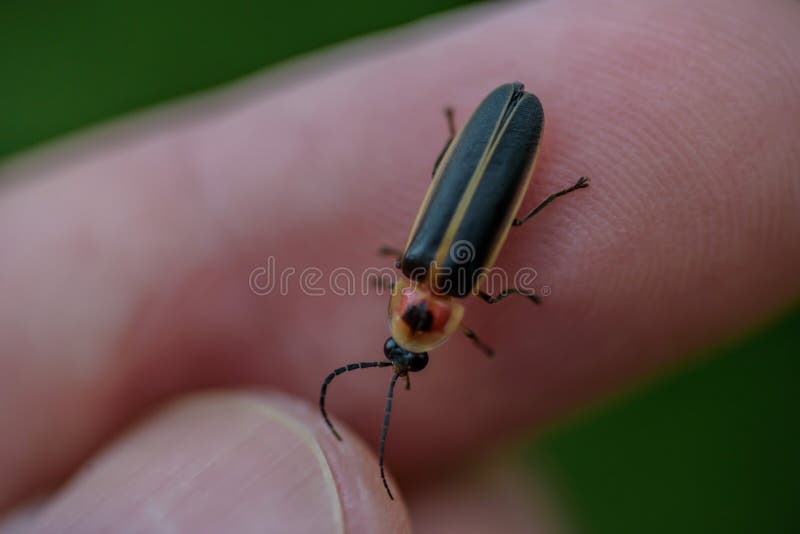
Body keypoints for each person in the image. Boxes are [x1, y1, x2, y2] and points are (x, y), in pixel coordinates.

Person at [1, 0, 798, 531]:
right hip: (489, 150)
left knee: (506, 216)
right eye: (411, 344)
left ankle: (477, 136)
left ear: (423, 320)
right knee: (488, 215)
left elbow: (473, 244)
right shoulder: (421, 272)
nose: (408, 341)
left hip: (501, 142)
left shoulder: (439, 285)